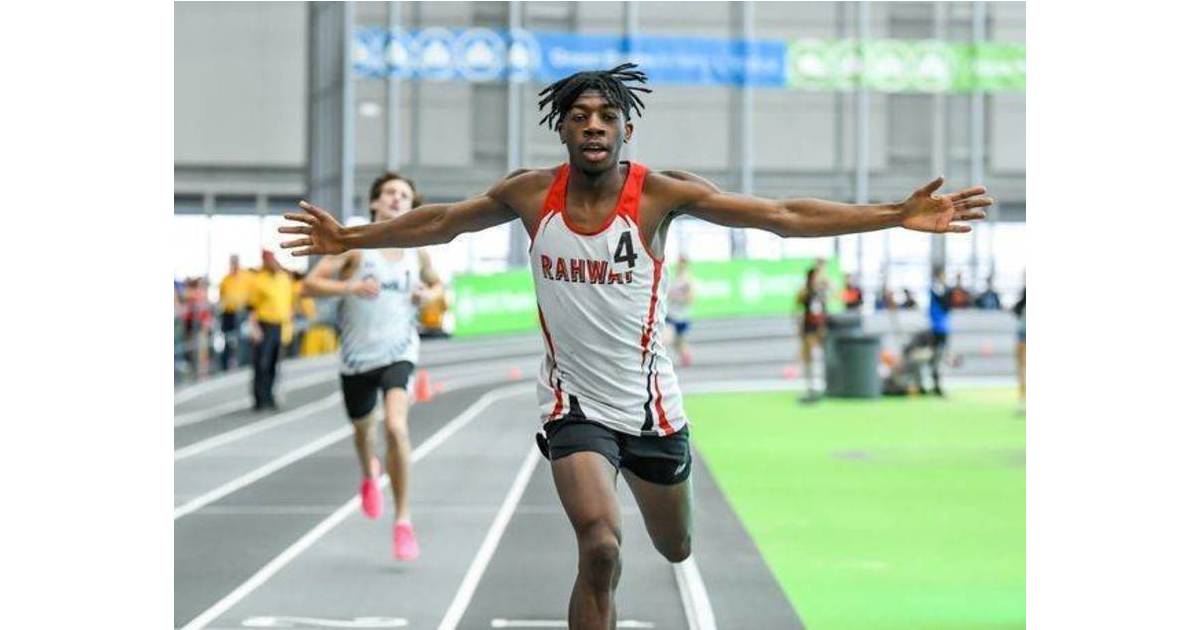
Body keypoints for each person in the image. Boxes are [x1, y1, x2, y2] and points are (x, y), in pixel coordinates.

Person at [279, 63, 991, 629]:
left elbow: (780, 215)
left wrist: (894, 215)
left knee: (674, 545)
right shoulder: (532, 195)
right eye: (580, 115)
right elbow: (442, 223)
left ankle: (668, 507)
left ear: (625, 129)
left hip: (653, 411)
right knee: (600, 546)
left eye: (607, 116)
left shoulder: (658, 196)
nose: (594, 124)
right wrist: (352, 237)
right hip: (573, 406)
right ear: (561, 129)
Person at [301, 172, 442, 560]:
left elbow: (439, 286)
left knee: (396, 427)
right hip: (356, 358)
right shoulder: (356, 247)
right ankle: (368, 474)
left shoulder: (419, 252)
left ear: (412, 207)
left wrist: (426, 295)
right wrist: (350, 287)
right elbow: (308, 286)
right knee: (364, 432)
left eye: (405, 195)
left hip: (399, 353)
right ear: (376, 202)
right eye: (391, 193)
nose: (397, 199)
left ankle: (403, 521)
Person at [248, 250, 294, 411]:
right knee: (261, 363)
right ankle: (260, 398)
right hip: (263, 325)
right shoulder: (258, 280)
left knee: (274, 363)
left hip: (279, 325)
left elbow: (289, 305)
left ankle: (270, 395)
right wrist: (254, 328)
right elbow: (251, 308)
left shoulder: (284, 279)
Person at [795, 263, 828, 403]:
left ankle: (823, 385)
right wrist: (798, 327)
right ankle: (810, 387)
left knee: (823, 357)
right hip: (808, 329)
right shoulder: (804, 292)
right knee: (809, 358)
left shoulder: (820, 292)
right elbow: (797, 310)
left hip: (820, 329)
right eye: (815, 277)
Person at [218, 255, 256, 370]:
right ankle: (225, 366)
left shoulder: (247, 276)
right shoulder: (226, 279)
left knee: (244, 339)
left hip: (243, 313)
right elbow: (222, 296)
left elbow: (253, 293)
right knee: (228, 339)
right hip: (228, 314)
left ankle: (243, 363)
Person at [664, 256, 695, 366]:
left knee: (677, 341)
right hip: (671, 314)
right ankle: (685, 357)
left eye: (682, 263)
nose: (679, 266)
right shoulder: (675, 278)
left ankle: (686, 357)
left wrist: (677, 297)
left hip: (681, 315)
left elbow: (690, 298)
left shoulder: (687, 280)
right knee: (671, 339)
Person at [928, 267, 953, 396]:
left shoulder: (941, 291)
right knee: (937, 358)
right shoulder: (937, 290)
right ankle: (936, 385)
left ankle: (938, 384)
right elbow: (945, 304)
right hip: (937, 329)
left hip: (942, 328)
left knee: (940, 358)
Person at [1013, 284, 1026, 409]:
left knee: (1022, 368)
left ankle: (1023, 398)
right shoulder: (1023, 300)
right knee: (1022, 368)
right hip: (1022, 336)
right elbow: (1016, 310)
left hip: (1023, 336)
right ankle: (1022, 398)